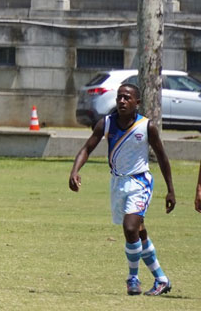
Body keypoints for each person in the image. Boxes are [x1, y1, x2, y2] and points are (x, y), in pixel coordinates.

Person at [69, 83, 176, 296]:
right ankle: (161, 279)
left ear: (137, 102)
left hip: (140, 183)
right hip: (117, 183)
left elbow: (163, 158)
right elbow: (87, 148)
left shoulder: (147, 127)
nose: (122, 101)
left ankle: (132, 278)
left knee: (129, 228)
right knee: (139, 232)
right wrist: (75, 170)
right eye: (119, 97)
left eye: (127, 98)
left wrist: (170, 190)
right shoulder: (106, 123)